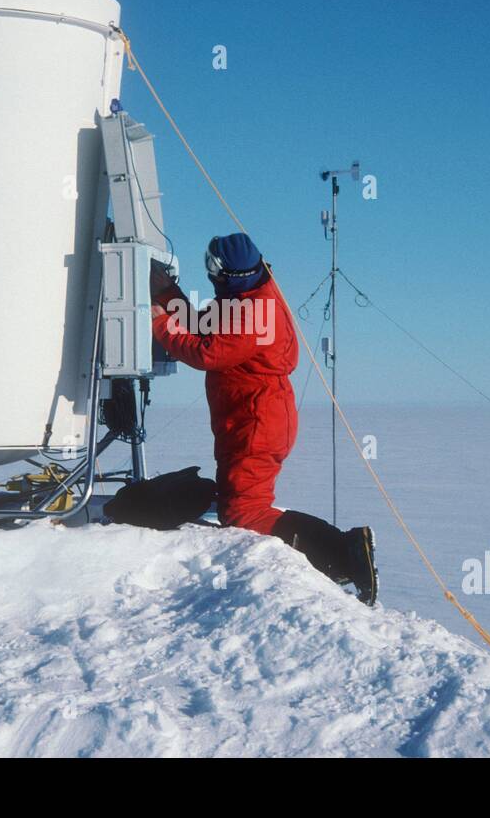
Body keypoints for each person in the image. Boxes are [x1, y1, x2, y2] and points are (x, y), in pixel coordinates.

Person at [149, 232, 378, 605]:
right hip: (249, 417)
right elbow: (203, 324)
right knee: (236, 503)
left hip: (257, 421)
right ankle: (342, 552)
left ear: (226, 274)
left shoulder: (252, 314)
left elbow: (206, 352)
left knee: (244, 512)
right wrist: (167, 295)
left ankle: (345, 555)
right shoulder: (247, 295)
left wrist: (160, 324)